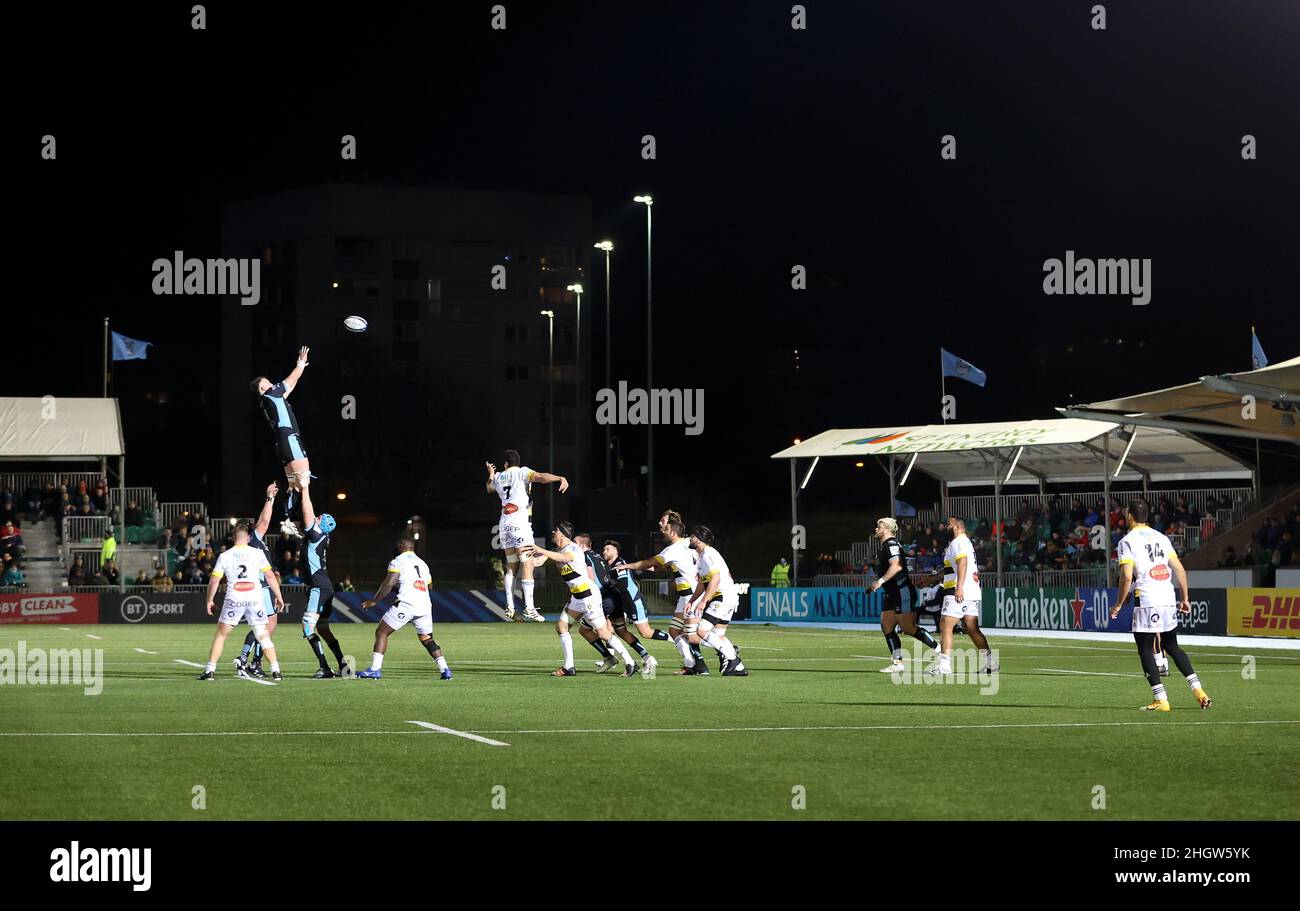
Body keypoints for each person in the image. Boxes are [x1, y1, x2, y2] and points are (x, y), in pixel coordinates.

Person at [1111, 499, 1212, 711]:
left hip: (1147, 599)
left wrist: (1119, 603)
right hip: (1167, 597)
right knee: (1172, 645)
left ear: (1129, 515)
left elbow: (1127, 576)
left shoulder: (1126, 541)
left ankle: (1161, 699)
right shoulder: (1162, 537)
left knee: (1145, 648)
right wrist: (1185, 599)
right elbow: (1180, 570)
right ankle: (1199, 690)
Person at [524, 522, 638, 678]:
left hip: (588, 595)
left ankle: (630, 662)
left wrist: (540, 550)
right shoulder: (558, 549)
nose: (553, 532)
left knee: (604, 633)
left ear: (563, 534)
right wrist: (525, 558)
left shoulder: (572, 549)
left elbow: (563, 558)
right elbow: (539, 561)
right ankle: (569, 667)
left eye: (556, 530)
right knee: (561, 627)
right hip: (577, 597)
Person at [618, 510, 706, 674]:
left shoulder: (672, 549)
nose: (660, 524)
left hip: (690, 595)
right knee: (675, 631)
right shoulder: (690, 542)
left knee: (693, 634)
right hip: (689, 594)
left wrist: (628, 566)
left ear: (671, 526)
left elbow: (653, 562)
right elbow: (658, 566)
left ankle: (723, 651)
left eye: (662, 521)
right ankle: (692, 664)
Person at [485, 449, 568, 622]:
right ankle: (529, 608)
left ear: (505, 463)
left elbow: (489, 488)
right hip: (520, 523)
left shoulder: (499, 476)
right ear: (517, 462)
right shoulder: (522, 472)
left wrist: (491, 474)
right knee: (528, 563)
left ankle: (509, 606)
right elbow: (540, 477)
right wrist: (559, 478)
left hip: (504, 523)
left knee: (511, 565)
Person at [196, 522, 286, 681]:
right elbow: (270, 576)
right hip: (254, 597)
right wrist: (278, 596)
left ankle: (210, 671)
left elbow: (214, 581)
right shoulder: (258, 553)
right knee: (263, 635)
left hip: (235, 597)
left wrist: (209, 600)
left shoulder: (225, 556)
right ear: (249, 537)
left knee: (222, 635)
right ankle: (276, 671)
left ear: (232, 538)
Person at [356, 538, 452, 680]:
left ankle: (375, 669)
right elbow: (430, 586)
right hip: (424, 604)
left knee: (381, 632)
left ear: (401, 546)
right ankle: (445, 670)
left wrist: (374, 601)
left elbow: (389, 583)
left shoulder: (398, 561)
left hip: (407, 603)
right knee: (427, 638)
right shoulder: (423, 563)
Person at [250, 346, 313, 532]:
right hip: (289, 439)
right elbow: (291, 379)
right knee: (303, 480)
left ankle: (288, 518)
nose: (272, 383)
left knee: (294, 484)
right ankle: (288, 519)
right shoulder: (271, 394)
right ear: (263, 388)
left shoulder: (267, 401)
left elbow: (290, 386)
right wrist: (301, 363)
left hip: (281, 443)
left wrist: (299, 369)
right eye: (268, 382)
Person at [233, 482, 289, 678]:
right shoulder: (254, 539)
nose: (257, 523)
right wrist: (270, 498)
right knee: (268, 624)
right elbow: (265, 520)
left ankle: (247, 659)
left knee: (262, 625)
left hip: (255, 587)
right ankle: (251, 661)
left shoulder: (253, 542)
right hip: (260, 587)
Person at [869, 517, 939, 674]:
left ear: (887, 530)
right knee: (886, 626)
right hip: (892, 592)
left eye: (878, 527)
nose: (876, 529)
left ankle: (938, 648)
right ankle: (897, 662)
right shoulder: (885, 546)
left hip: (902, 591)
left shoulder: (891, 544)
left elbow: (897, 566)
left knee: (908, 628)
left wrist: (879, 582)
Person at [929, 517, 997, 676]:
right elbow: (950, 570)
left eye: (949, 524)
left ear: (957, 526)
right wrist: (929, 579)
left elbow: (963, 563)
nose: (946, 526)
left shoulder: (958, 542)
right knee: (971, 628)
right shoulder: (963, 542)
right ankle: (991, 664)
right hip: (970, 589)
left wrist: (959, 587)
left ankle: (944, 666)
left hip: (958, 589)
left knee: (945, 624)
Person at [299, 480, 348, 678]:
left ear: (323, 525)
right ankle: (344, 666)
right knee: (323, 629)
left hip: (319, 587)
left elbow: (306, 510)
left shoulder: (316, 534)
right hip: (323, 586)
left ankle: (325, 667)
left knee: (308, 626)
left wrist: (305, 488)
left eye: (319, 518)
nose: (315, 518)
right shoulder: (319, 537)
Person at [685, 525, 747, 676]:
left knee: (701, 630)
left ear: (699, 539)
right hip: (728, 597)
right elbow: (702, 583)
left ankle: (733, 658)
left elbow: (716, 578)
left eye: (692, 536)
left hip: (723, 596)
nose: (690, 539)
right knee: (718, 635)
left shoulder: (708, 554)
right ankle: (739, 669)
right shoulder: (701, 556)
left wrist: (703, 601)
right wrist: (692, 600)